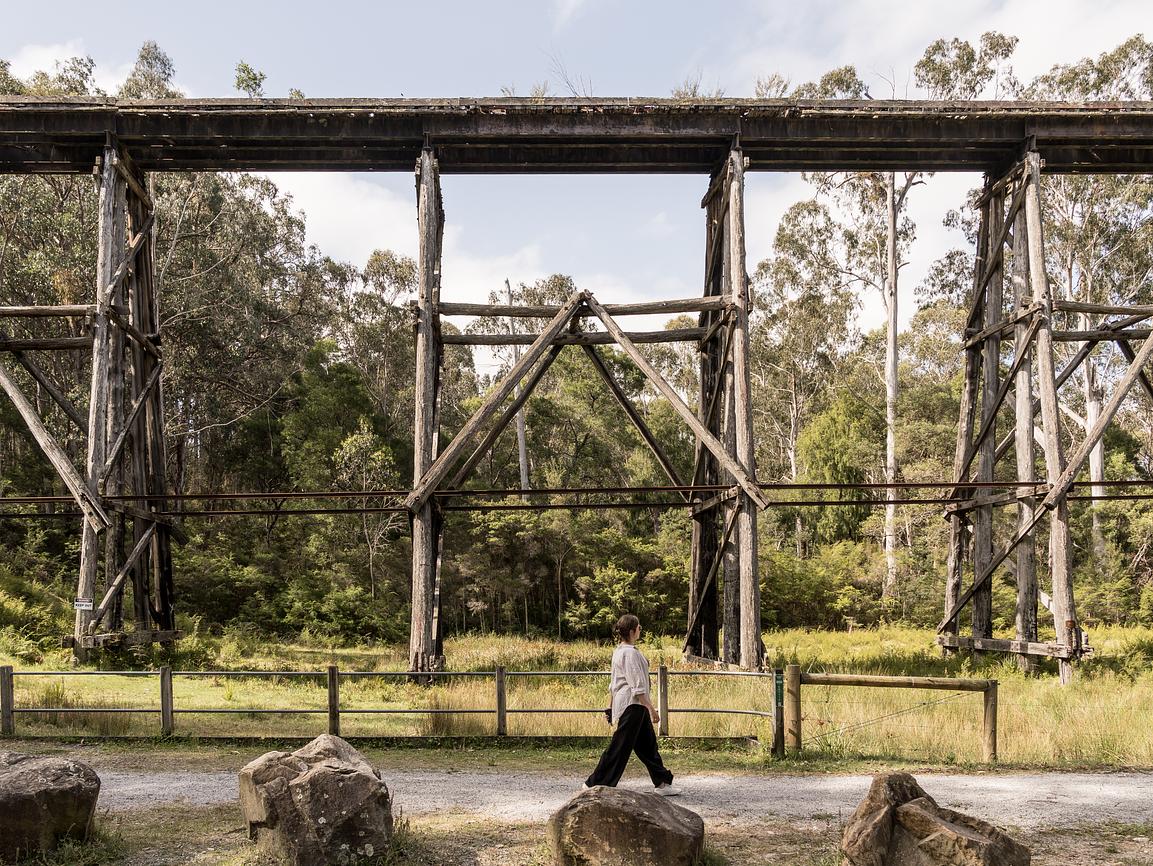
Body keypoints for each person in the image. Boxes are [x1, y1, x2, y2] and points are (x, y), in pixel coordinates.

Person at [583, 613, 681, 795]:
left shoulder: (621, 651)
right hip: (633, 705)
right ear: (632, 631)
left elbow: (614, 684)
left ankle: (662, 783)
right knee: (619, 747)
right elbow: (637, 686)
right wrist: (651, 709)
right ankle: (594, 783)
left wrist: (611, 706)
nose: (640, 630)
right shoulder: (629, 654)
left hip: (634, 705)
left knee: (648, 746)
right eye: (639, 627)